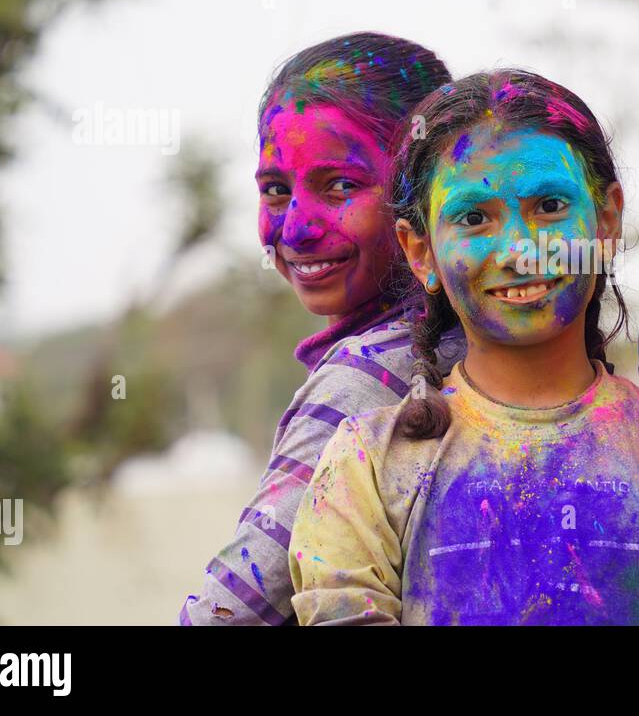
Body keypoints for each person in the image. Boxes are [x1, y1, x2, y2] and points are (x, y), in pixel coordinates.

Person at [287, 69, 639, 625]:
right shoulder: (366, 467)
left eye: (550, 207)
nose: (520, 249)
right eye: (473, 217)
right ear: (421, 253)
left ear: (606, 221)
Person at [179, 33, 462, 625]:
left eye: (341, 186)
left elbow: (228, 613)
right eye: (277, 190)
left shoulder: (369, 378)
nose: (298, 229)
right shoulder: (479, 343)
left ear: (425, 194)